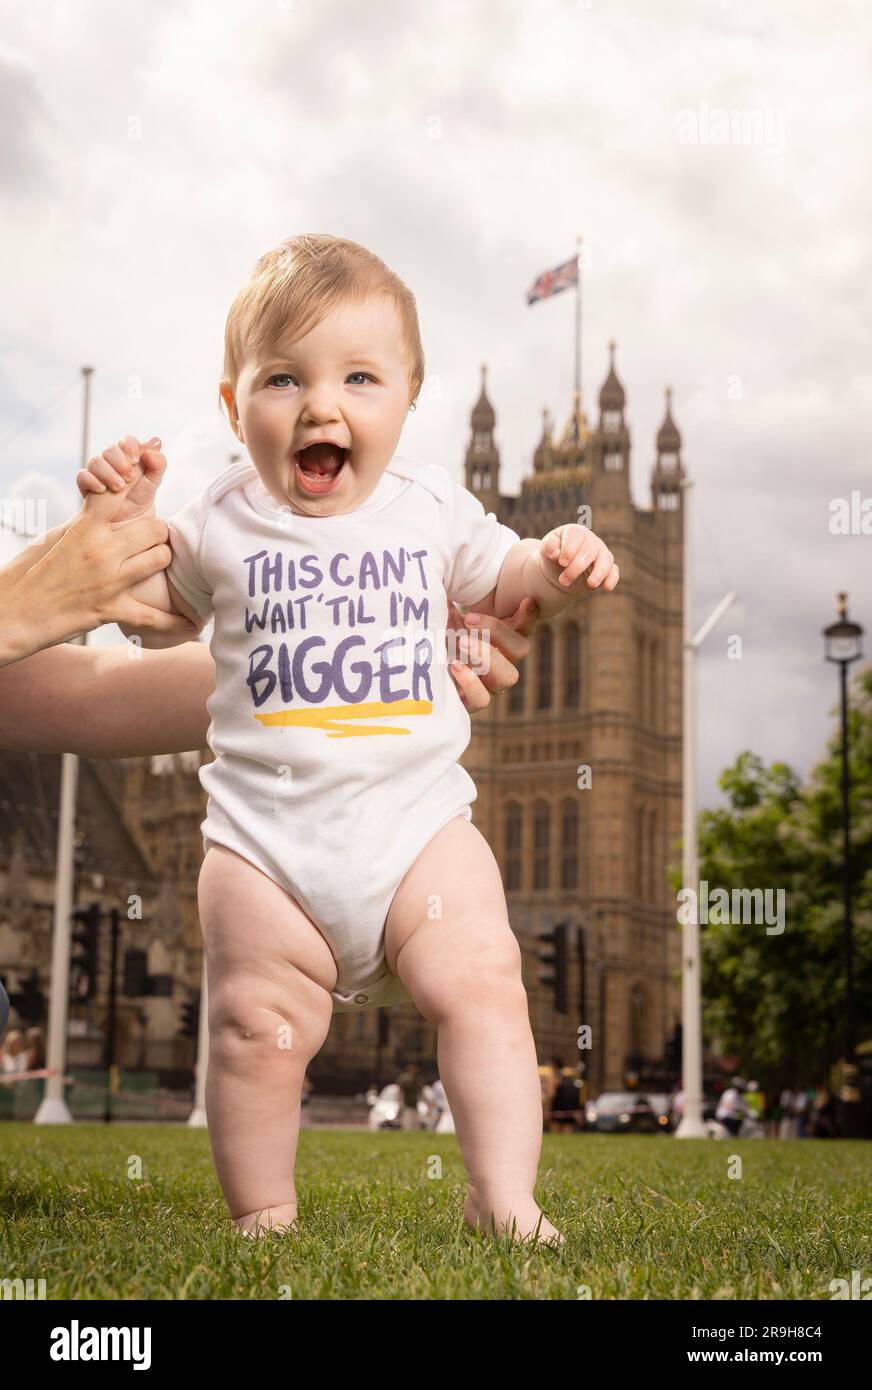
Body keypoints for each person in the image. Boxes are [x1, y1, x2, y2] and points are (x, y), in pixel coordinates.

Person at [72, 233, 619, 1246]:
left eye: (359, 378)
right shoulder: (216, 518)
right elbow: (150, 616)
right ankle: (261, 1213)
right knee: (250, 1031)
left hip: (416, 830)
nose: (322, 405)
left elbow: (510, 581)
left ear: (409, 398)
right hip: (265, 848)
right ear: (234, 410)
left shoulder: (432, 509)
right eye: (284, 379)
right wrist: (118, 522)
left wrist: (558, 555)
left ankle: (502, 1196)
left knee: (487, 986)